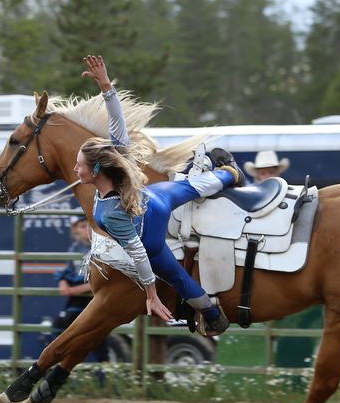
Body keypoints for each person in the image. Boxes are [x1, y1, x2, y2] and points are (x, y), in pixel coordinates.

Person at [76, 54, 244, 336]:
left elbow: (139, 253)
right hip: (154, 199)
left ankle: (214, 316)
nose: (74, 169)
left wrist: (151, 293)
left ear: (95, 170)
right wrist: (106, 86)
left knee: (176, 276)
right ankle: (231, 174)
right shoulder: (115, 164)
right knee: (189, 187)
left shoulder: (108, 212)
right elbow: (117, 123)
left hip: (150, 238)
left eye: (78, 165)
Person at [42, 214, 109, 362]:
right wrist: (63, 281)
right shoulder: (73, 249)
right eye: (82, 226)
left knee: (96, 339)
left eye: (89, 225)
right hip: (76, 302)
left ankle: (103, 373)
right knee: (62, 327)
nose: (87, 229)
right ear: (75, 230)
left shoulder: (101, 248)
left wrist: (74, 290)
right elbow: (66, 273)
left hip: (94, 301)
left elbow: (103, 281)